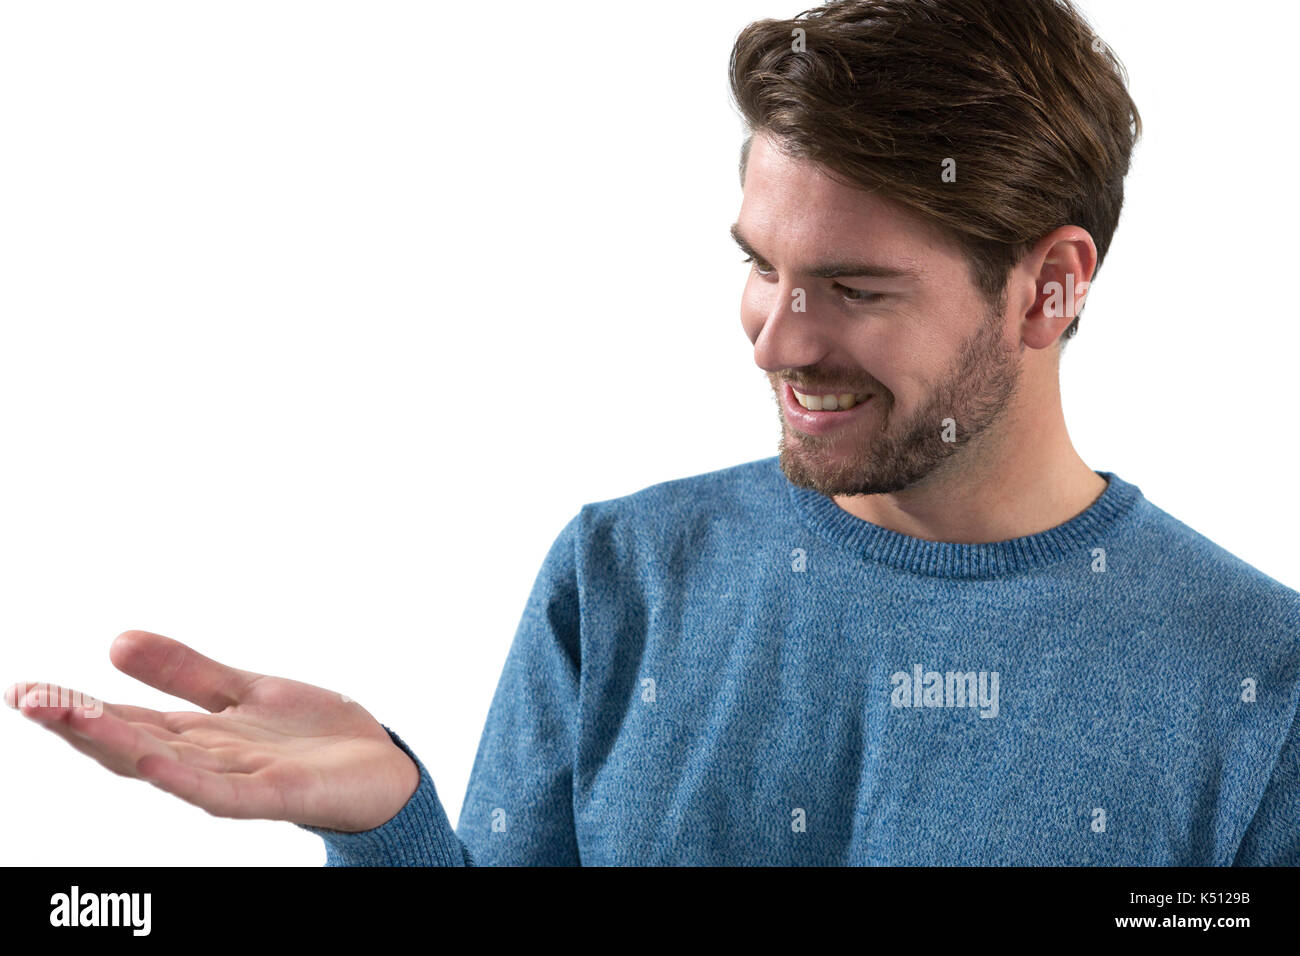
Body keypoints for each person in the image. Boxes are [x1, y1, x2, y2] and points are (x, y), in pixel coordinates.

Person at [8, 0, 1299, 866]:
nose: (778, 340)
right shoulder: (624, 576)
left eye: (856, 289)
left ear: (1051, 285)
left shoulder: (1260, 688)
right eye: (760, 266)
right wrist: (397, 828)